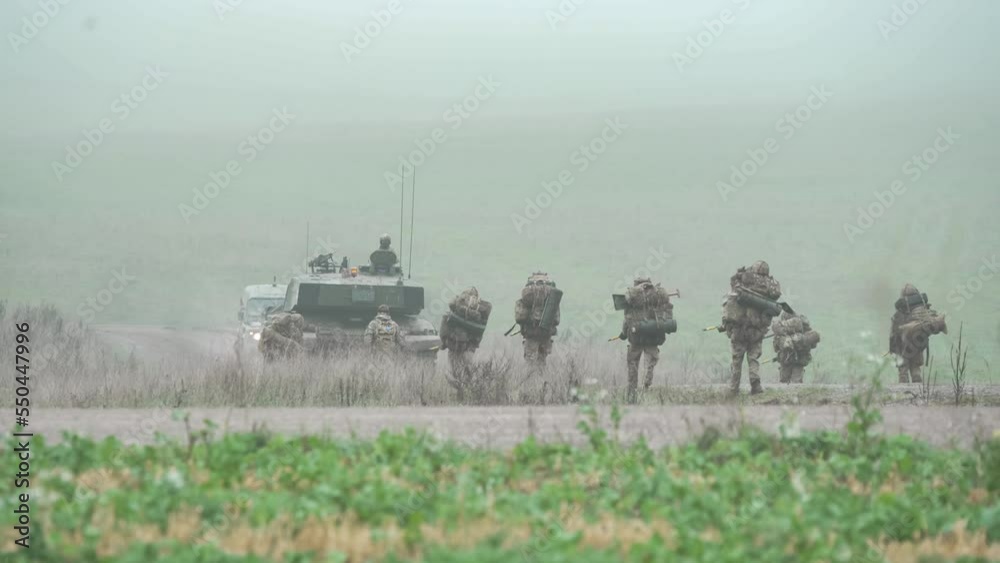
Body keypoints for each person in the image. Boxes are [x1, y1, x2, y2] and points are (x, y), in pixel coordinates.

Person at [721, 260, 781, 396]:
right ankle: (756, 386)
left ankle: (733, 389)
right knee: (753, 358)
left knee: (737, 360)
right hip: (757, 331)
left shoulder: (744, 282)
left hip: (740, 329)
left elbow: (731, 299)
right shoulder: (768, 287)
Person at [620, 277, 673, 403]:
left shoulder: (632, 296)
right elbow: (667, 316)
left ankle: (632, 395)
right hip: (653, 336)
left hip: (636, 338)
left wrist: (623, 333)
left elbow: (627, 318)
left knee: (633, 365)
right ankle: (646, 387)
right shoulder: (657, 295)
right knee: (650, 365)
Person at [890, 283, 947, 383]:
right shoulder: (924, 309)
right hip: (919, 341)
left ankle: (903, 377)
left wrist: (892, 348)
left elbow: (894, 333)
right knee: (916, 363)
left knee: (903, 362)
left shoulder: (900, 313)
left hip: (904, 343)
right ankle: (916, 375)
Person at [514, 272, 560, 370]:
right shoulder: (552, 297)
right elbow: (557, 320)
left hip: (531, 334)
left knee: (530, 363)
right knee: (542, 361)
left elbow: (519, 318)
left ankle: (531, 379)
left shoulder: (527, 296)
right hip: (546, 335)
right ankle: (542, 378)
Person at [771, 308, 820, 384]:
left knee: (794, 383)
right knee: (787, 382)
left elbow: (776, 348)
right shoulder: (782, 333)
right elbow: (777, 347)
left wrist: (797, 342)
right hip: (788, 360)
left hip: (796, 360)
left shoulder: (802, 333)